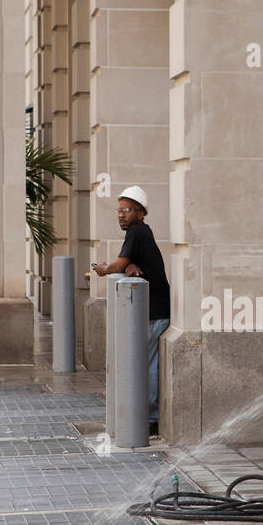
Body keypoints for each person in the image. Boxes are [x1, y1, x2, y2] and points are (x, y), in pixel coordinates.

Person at [92, 185, 170, 436]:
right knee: (145, 364)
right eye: (119, 210)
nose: (121, 215)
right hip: (153, 310)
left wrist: (106, 269)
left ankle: (151, 418)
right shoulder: (141, 233)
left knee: (147, 366)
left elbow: (119, 262)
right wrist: (127, 266)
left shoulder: (137, 232)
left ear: (141, 212)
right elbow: (129, 262)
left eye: (127, 210)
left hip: (154, 312)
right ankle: (147, 415)